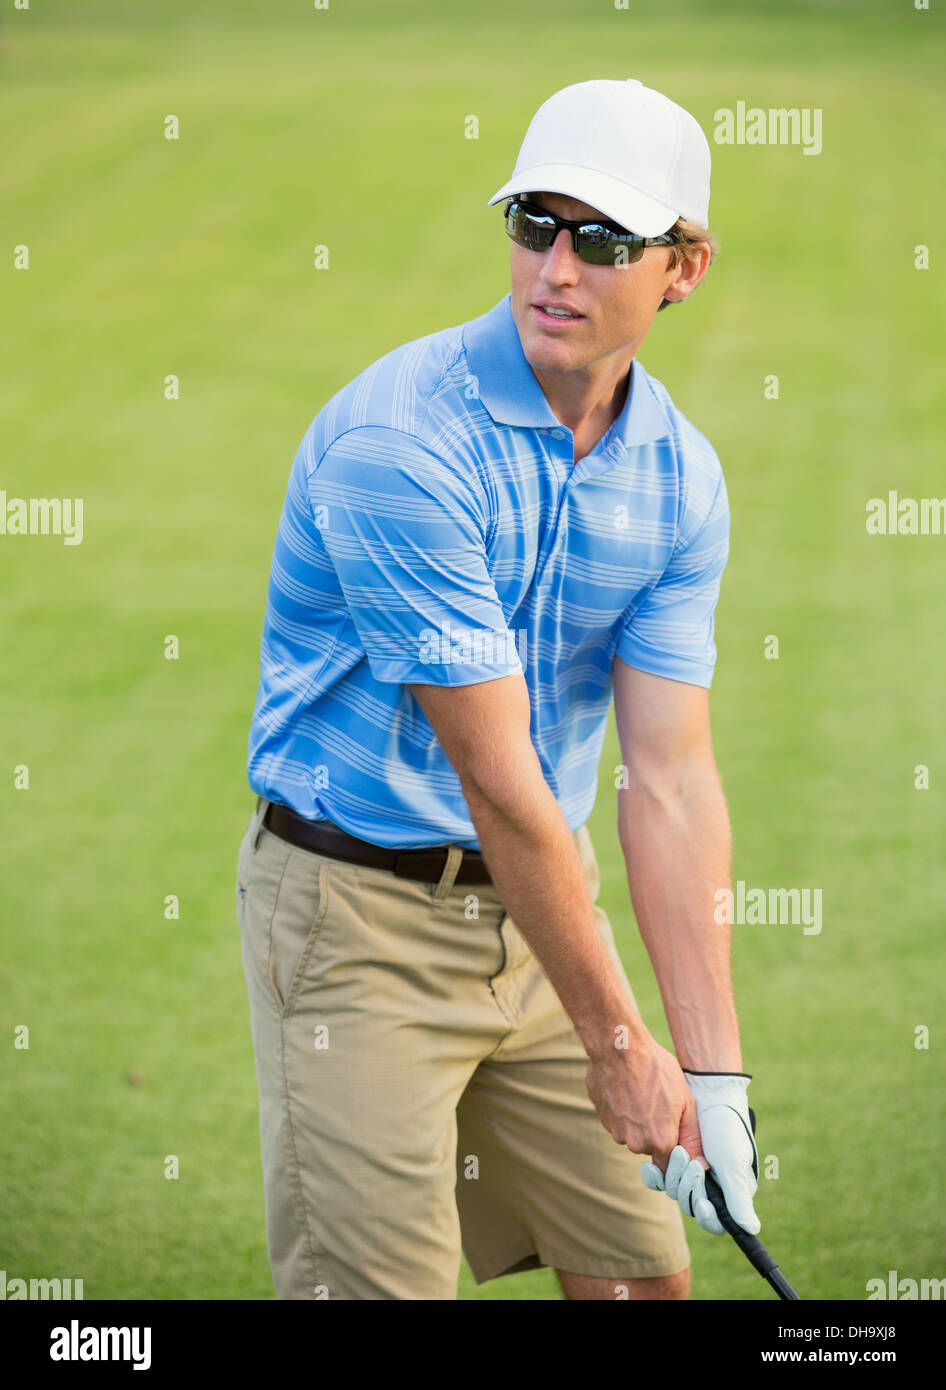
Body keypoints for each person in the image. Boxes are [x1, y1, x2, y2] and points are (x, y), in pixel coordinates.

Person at [235, 77, 760, 1302]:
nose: (557, 269)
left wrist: (716, 1082)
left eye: (606, 239)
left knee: (638, 1281)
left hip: (537, 916)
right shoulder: (402, 446)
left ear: (682, 267)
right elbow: (500, 779)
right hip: (351, 923)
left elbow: (672, 778)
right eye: (536, 223)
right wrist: (627, 1047)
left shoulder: (680, 479)